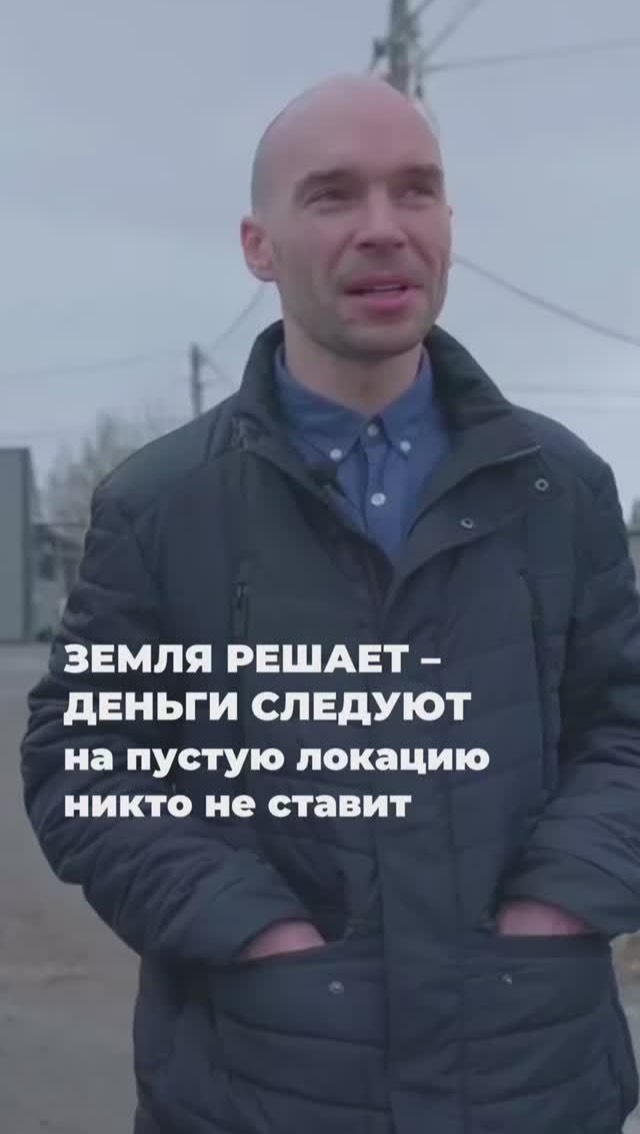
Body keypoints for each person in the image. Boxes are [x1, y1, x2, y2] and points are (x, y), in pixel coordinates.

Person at [20, 73, 640, 1134]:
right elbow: (91, 760)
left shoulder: (561, 487)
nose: (383, 227)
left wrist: (554, 907)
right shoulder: (162, 507)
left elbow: (624, 726)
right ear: (258, 246)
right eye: (333, 194)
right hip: (261, 1079)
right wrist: (257, 933)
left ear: (449, 226)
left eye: (416, 190)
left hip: (530, 1077)